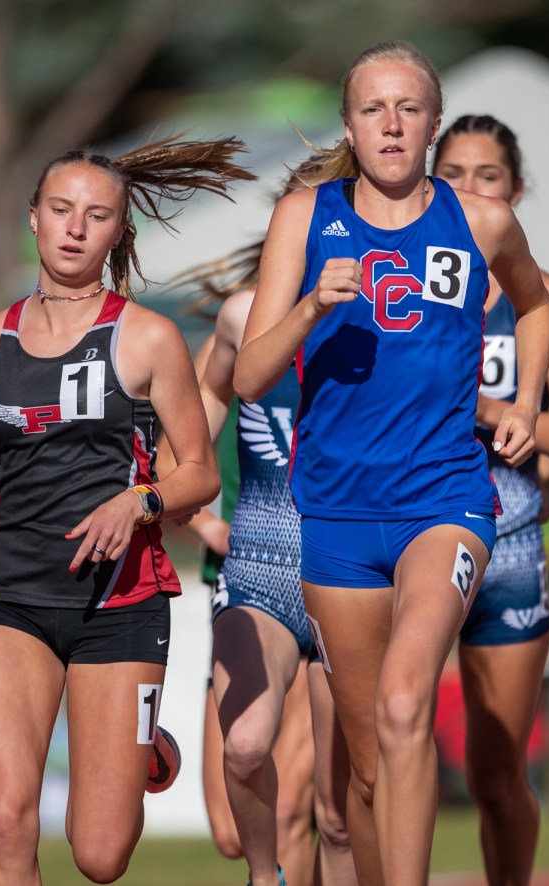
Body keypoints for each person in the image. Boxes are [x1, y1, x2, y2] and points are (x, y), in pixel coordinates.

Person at [234, 41, 549, 886]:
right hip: (335, 518)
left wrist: (523, 406)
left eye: (407, 108)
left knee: (409, 702)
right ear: (349, 124)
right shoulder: (305, 217)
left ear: (431, 123)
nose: (390, 124)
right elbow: (249, 375)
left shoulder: (478, 220)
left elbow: (536, 304)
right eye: (372, 109)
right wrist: (312, 304)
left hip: (444, 504)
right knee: (372, 772)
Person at [0, 136, 251, 885]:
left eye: (95, 216)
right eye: (60, 209)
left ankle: (139, 748)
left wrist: (140, 501)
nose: (74, 227)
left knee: (98, 856)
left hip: (119, 607)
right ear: (33, 217)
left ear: (118, 233)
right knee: (5, 817)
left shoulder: (148, 338)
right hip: (13, 599)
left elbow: (197, 475)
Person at [431, 113, 549, 886]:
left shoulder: (544, 299)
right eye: (455, 174)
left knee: (496, 775)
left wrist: (497, 411)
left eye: (487, 176)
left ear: (516, 191)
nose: (470, 189)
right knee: (378, 751)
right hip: (408, 538)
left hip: (511, 548)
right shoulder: (399, 277)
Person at [176, 172, 357, 885]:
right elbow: (181, 448)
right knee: (240, 777)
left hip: (353, 571)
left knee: (334, 815)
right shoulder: (239, 320)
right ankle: (266, 875)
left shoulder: (390, 323)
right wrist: (203, 522)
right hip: (257, 565)